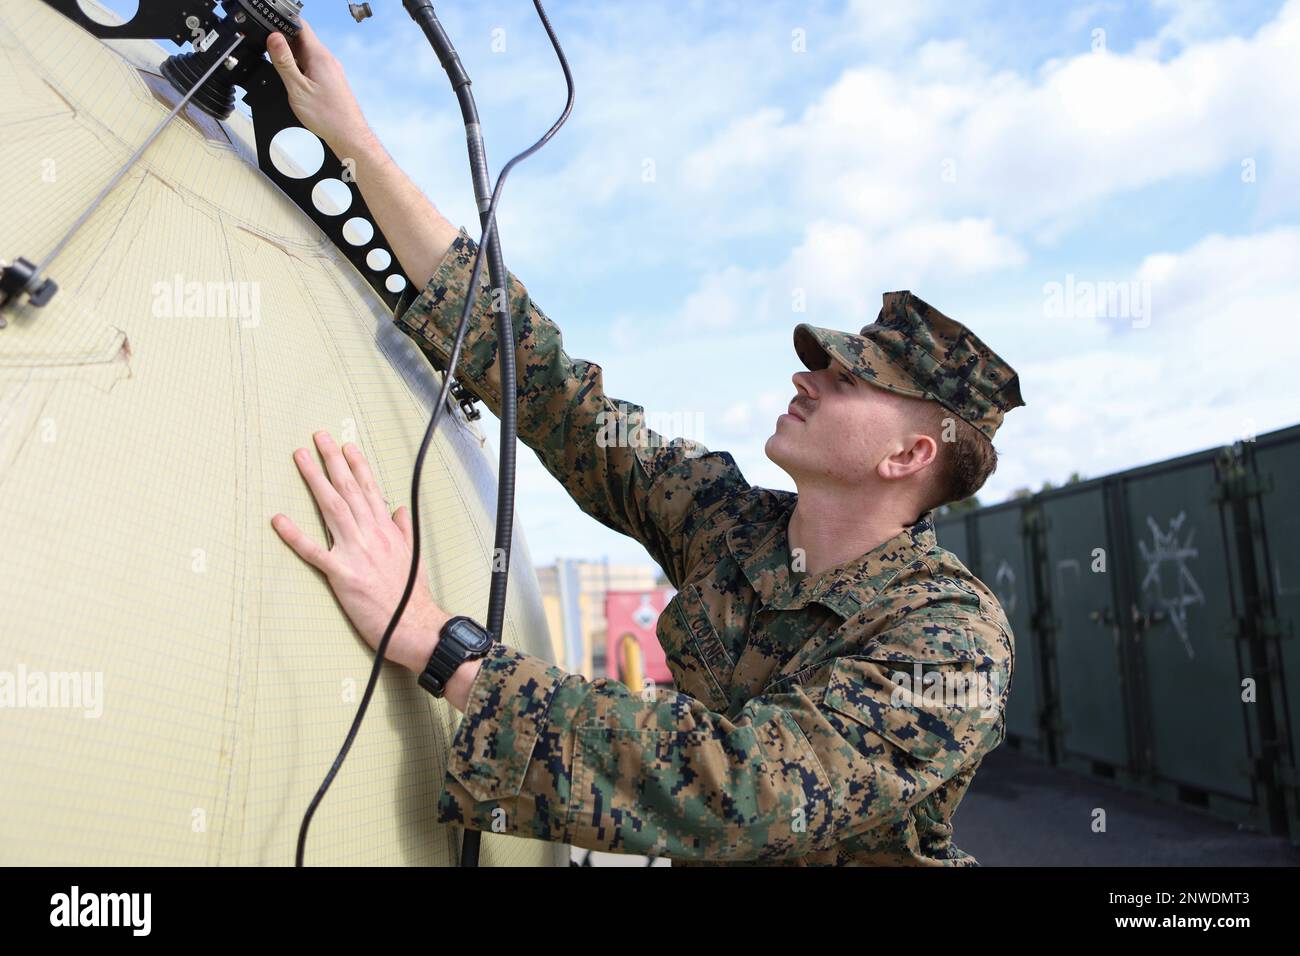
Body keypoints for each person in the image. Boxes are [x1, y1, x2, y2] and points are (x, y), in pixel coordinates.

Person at [266, 21, 1026, 866]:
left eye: (847, 379)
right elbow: (554, 392)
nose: (806, 378)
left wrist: (436, 643)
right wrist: (354, 141)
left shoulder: (950, 638)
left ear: (909, 456)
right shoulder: (730, 522)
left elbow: (739, 791)